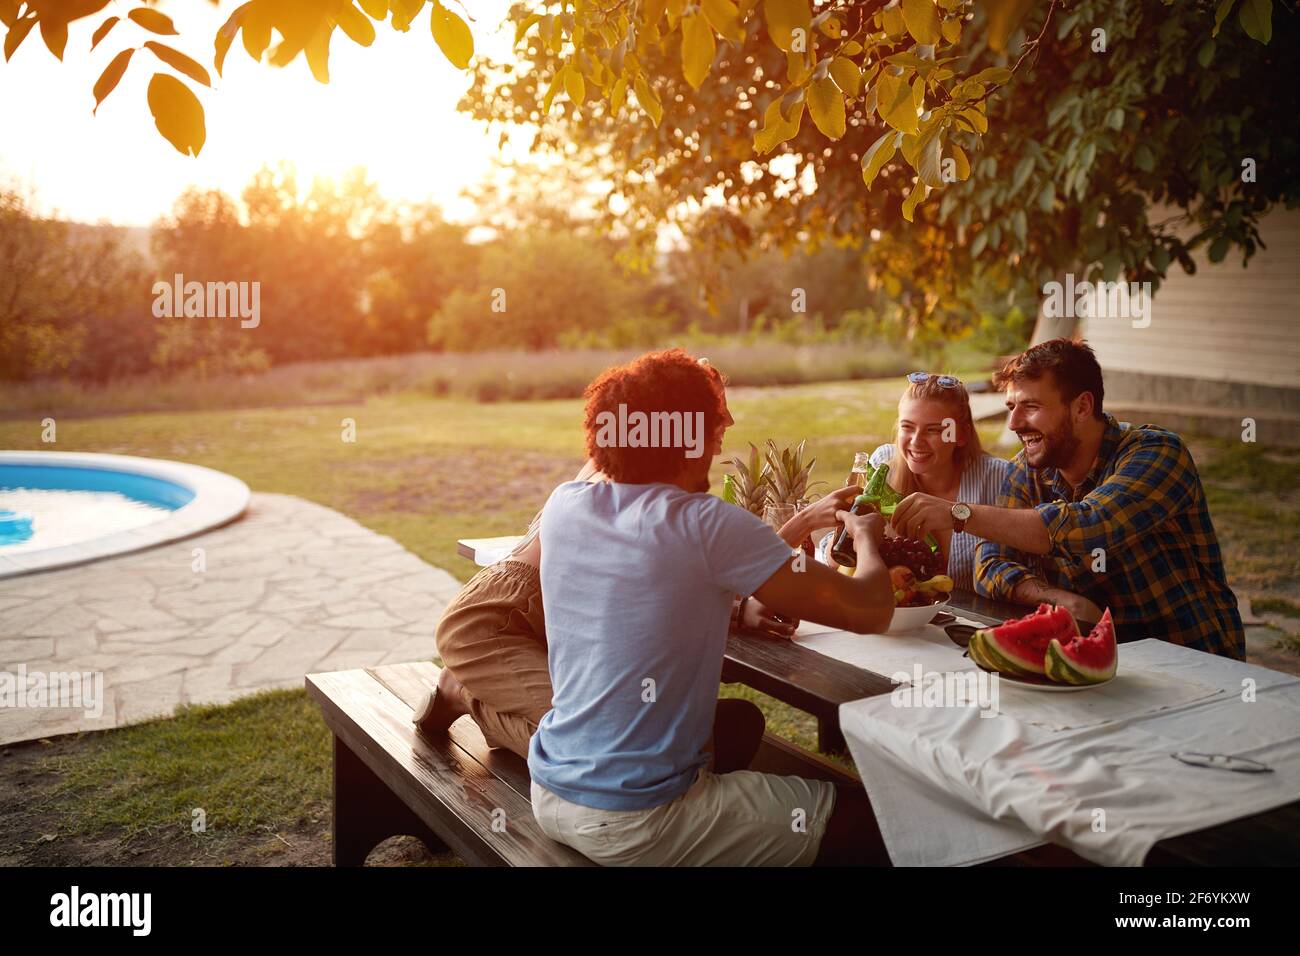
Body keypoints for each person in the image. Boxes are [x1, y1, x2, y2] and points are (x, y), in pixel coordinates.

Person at [528, 348, 896, 865]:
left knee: (740, 723)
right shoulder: (705, 524)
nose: (722, 433)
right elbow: (870, 609)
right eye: (713, 424)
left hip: (550, 789)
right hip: (638, 822)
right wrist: (864, 538)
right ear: (687, 439)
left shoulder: (564, 504)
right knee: (874, 821)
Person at [890, 338, 1244, 659]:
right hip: (1092, 657)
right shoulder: (1026, 472)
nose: (1013, 423)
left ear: (1081, 407)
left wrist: (959, 514)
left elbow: (1091, 526)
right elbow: (990, 563)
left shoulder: (1157, 453)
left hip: (1192, 655)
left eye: (1029, 406)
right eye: (1011, 406)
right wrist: (1056, 599)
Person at [829, 371, 1009, 591]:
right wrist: (849, 522)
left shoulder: (998, 478)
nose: (916, 441)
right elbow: (835, 559)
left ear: (961, 434)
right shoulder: (883, 464)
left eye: (933, 430)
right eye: (907, 427)